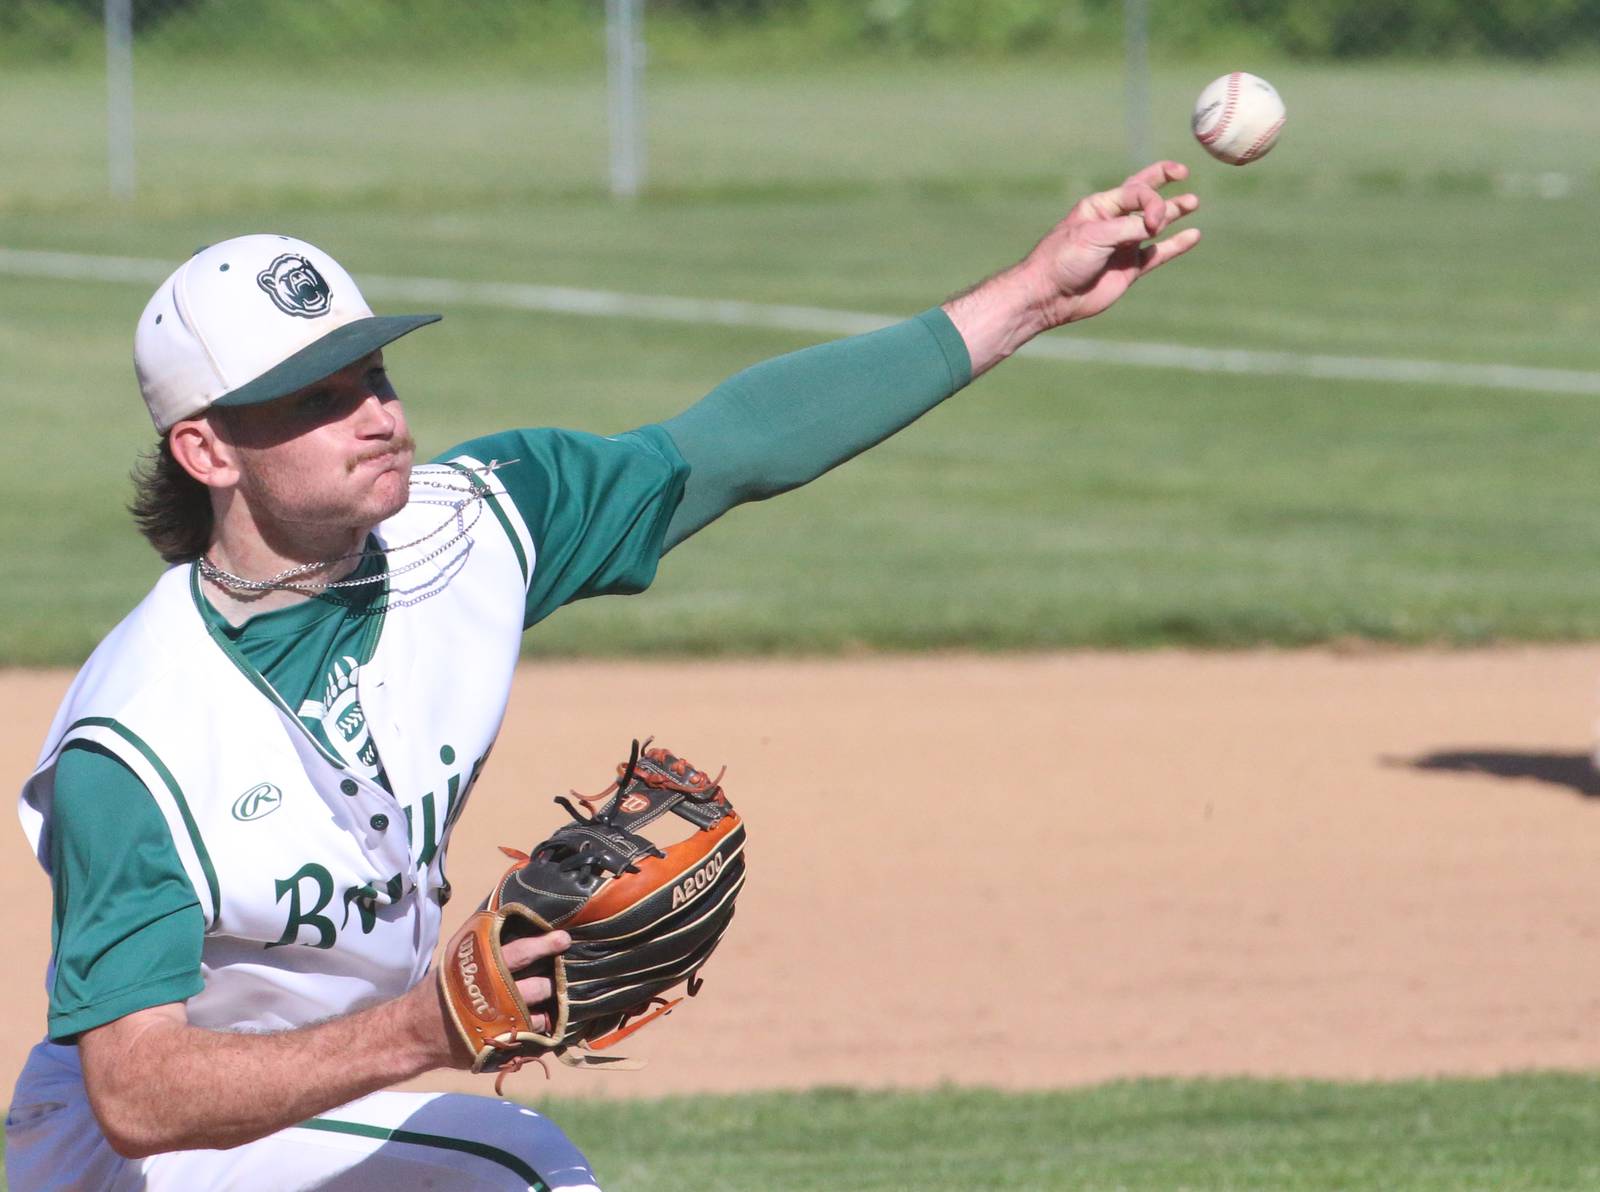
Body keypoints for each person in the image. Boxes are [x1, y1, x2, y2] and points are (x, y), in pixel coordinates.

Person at [5, 163, 1199, 1191]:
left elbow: (725, 450)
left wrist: (1034, 295)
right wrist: (422, 1029)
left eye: (372, 373)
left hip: (314, 1104)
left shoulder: (472, 529)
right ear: (207, 449)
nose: (376, 414)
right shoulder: (139, 743)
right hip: (137, 1157)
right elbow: (138, 1093)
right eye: (315, 399)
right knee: (525, 1167)